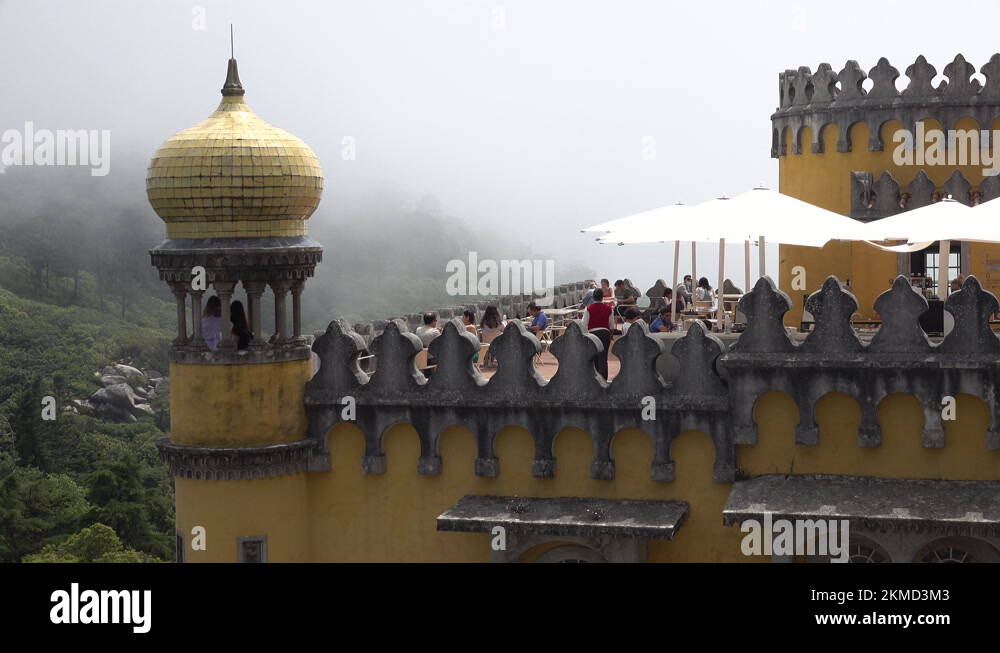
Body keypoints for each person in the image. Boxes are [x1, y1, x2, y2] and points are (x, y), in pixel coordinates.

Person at [583, 288, 615, 379]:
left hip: (592, 334)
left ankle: (595, 379)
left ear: (593, 297)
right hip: (605, 333)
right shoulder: (609, 309)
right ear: (602, 297)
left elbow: (584, 325)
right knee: (603, 358)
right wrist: (610, 336)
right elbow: (611, 326)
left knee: (594, 357)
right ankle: (604, 380)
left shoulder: (588, 308)